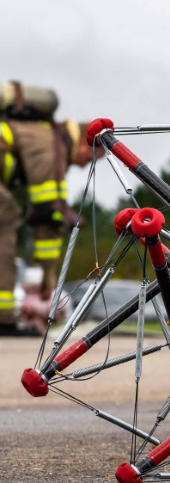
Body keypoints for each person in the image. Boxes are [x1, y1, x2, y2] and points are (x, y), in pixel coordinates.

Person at [1, 95, 96, 336]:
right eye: (91, 158)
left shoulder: (46, 136)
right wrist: (47, 280)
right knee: (7, 214)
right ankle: (3, 320)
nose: (85, 166)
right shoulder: (52, 147)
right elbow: (49, 217)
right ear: (85, 145)